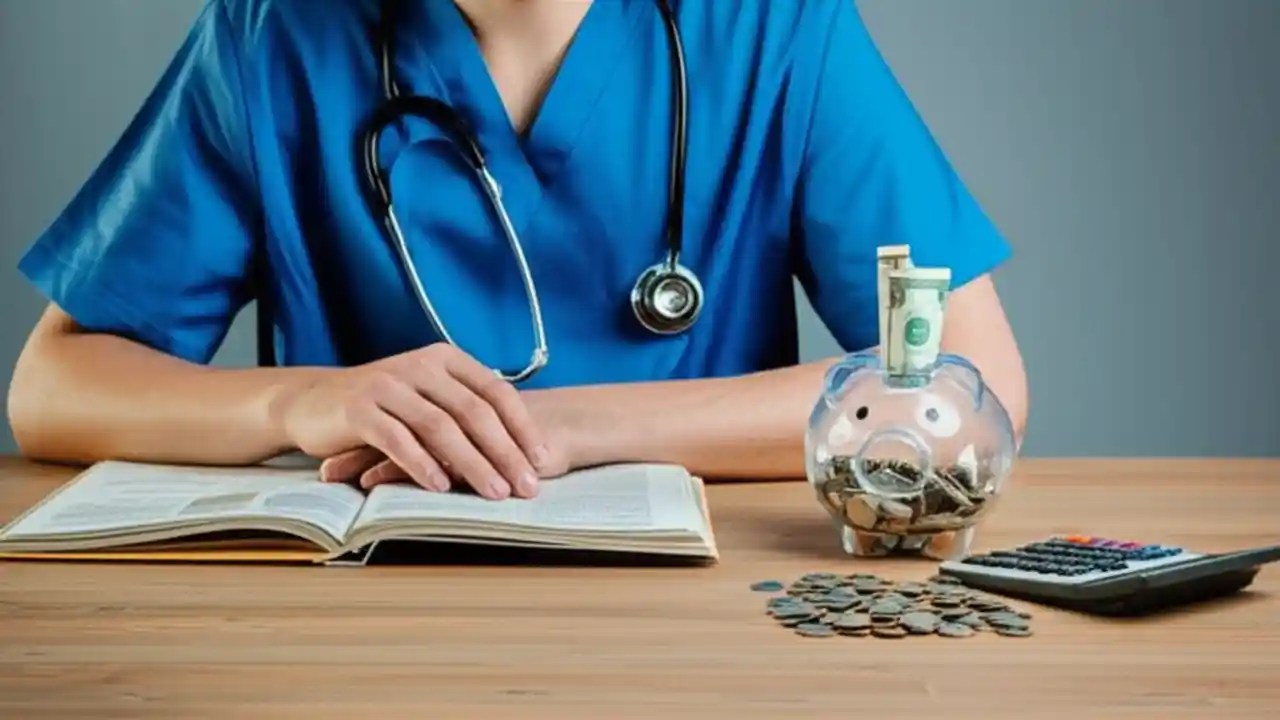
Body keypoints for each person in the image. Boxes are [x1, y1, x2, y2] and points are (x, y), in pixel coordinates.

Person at [7, 0, 1027, 501]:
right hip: (361, 634)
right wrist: (299, 401)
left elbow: (971, 392)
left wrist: (564, 427)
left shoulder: (776, 28)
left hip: (707, 619)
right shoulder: (275, 33)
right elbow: (51, 386)